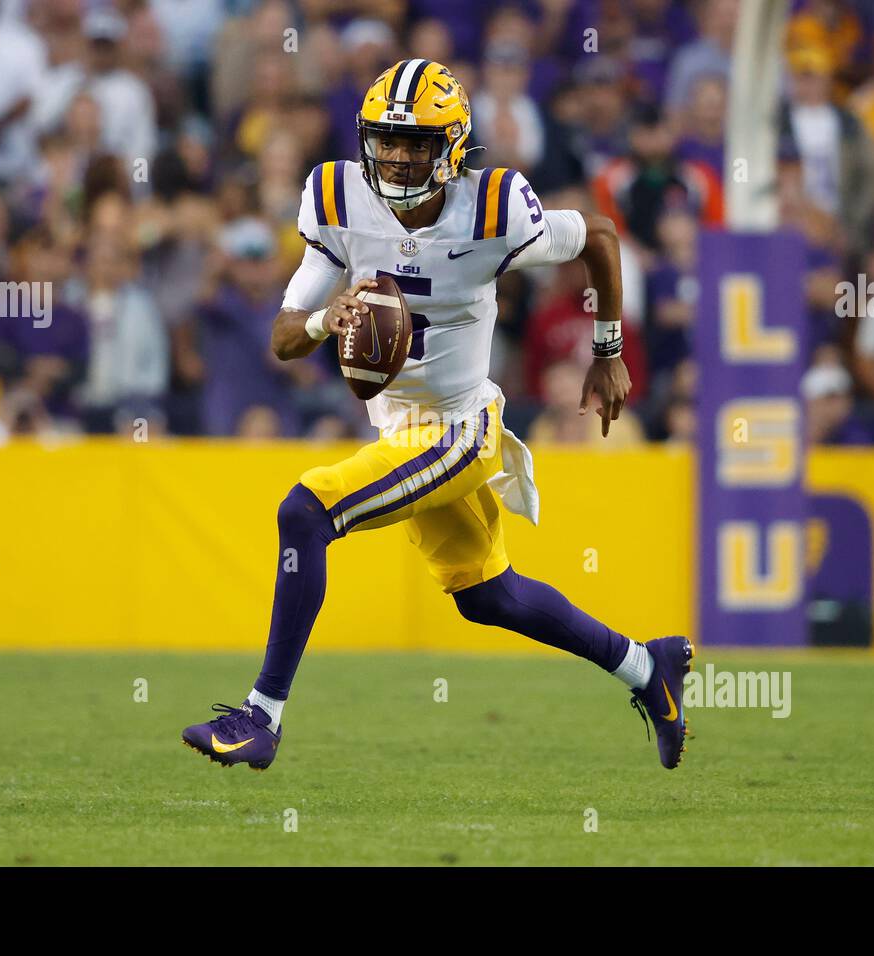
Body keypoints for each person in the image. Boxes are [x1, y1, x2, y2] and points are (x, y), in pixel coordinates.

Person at [180, 60, 692, 772]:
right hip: (400, 431)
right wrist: (332, 316)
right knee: (488, 596)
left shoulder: (494, 209)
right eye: (386, 140)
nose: (397, 157)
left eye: (416, 143)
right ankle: (647, 667)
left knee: (305, 513)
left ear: (451, 146)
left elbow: (601, 237)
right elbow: (284, 338)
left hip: (458, 429)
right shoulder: (337, 198)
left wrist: (607, 351)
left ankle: (261, 718)